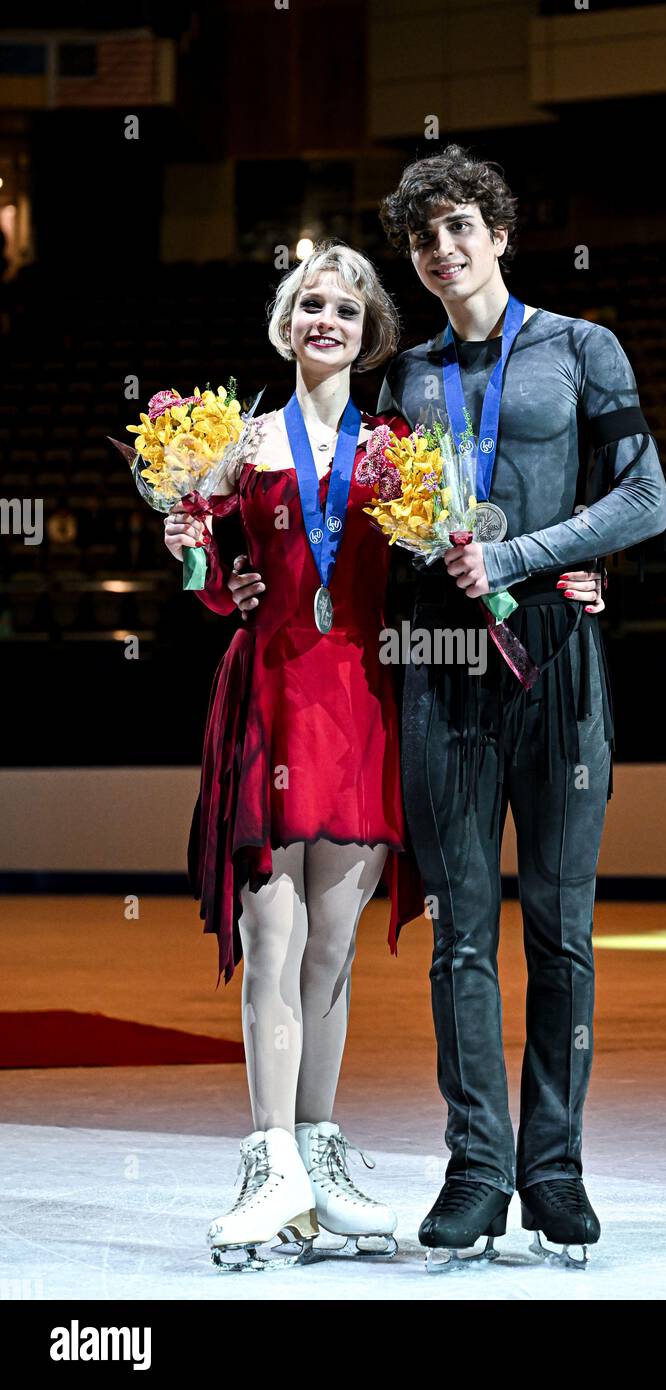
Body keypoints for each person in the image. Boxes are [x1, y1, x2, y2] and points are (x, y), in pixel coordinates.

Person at [373, 144, 666, 1267]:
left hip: (556, 651)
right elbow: (379, 521)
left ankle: (553, 1171)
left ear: (498, 233)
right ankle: (474, 1169)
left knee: (560, 930)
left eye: (459, 227)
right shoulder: (402, 376)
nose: (441, 250)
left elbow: (642, 497)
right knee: (460, 935)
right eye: (422, 238)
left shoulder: (580, 349)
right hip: (442, 656)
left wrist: (534, 555)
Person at [163, 242, 426, 1269]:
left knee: (331, 948)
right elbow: (211, 583)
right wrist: (195, 546)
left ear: (369, 338)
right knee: (268, 942)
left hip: (357, 702)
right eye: (310, 304)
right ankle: (266, 1160)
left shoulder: (396, 453)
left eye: (347, 311)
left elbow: (431, 567)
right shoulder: (231, 445)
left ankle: (316, 1164)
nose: (327, 320)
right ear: (286, 323)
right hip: (269, 695)